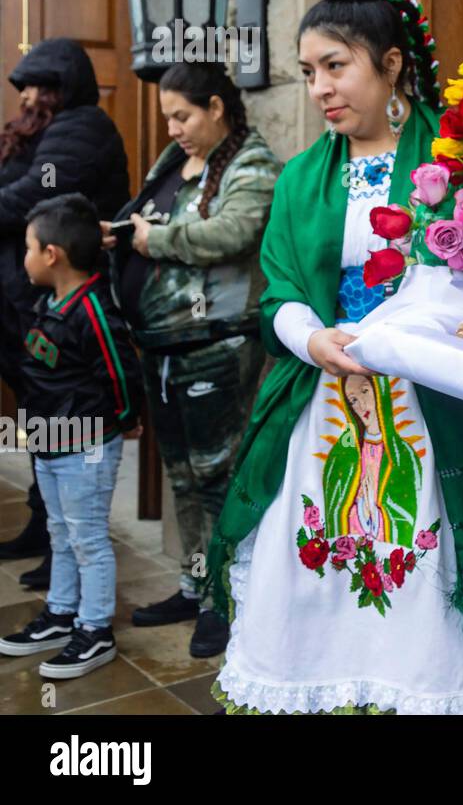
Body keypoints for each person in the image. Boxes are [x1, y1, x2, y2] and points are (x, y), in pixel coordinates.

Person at [205, 0, 463, 714]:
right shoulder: (301, 176)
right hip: (329, 399)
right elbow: (279, 287)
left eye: (335, 66)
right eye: (309, 71)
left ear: (390, 64)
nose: (319, 89)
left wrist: (412, 336)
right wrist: (314, 340)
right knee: (323, 565)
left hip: (437, 402)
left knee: (432, 578)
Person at [105, 61, 280, 658]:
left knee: (217, 478)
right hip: (165, 351)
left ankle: (224, 601)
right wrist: (119, 232)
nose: (174, 127)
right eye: (168, 117)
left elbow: (235, 230)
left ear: (216, 107)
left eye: (182, 115)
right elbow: (149, 217)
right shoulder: (177, 162)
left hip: (217, 348)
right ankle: (193, 582)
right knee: (182, 475)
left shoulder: (252, 163)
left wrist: (155, 241)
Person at [0, 39, 129, 590]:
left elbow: (33, 198)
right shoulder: (56, 128)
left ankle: (69, 556)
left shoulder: (82, 128)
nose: (27, 97)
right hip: (35, 301)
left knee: (63, 418)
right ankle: (44, 526)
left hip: (66, 307)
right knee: (40, 413)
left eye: (37, 86)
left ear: (63, 89)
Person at [0, 194, 142, 678]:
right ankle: (61, 614)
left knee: (87, 538)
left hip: (85, 447)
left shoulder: (94, 310)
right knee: (61, 534)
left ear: (52, 255)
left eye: (27, 248)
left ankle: (96, 629)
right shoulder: (51, 301)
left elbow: (121, 372)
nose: (24, 258)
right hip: (49, 442)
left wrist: (124, 418)